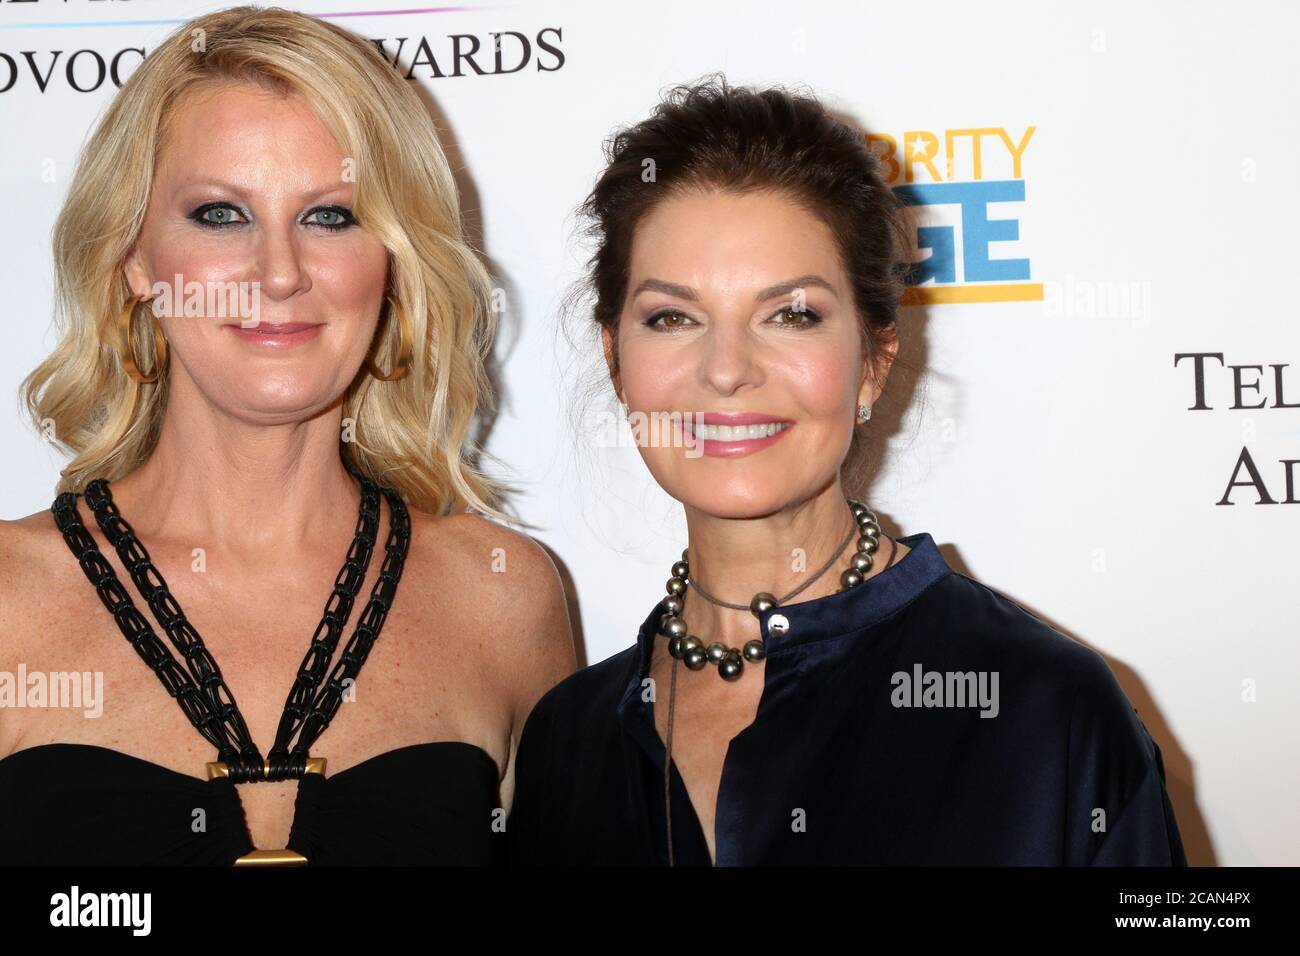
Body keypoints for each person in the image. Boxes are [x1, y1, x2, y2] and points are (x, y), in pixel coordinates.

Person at [508, 77, 1186, 866]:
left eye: (791, 314)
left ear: (872, 362)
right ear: (615, 359)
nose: (726, 370)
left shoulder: (1046, 706)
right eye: (673, 317)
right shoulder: (567, 738)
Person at [0, 6, 574, 866]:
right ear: (135, 260)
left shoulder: (502, 600)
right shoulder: (10, 603)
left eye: (331, 217)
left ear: (394, 260)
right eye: (222, 215)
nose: (278, 273)